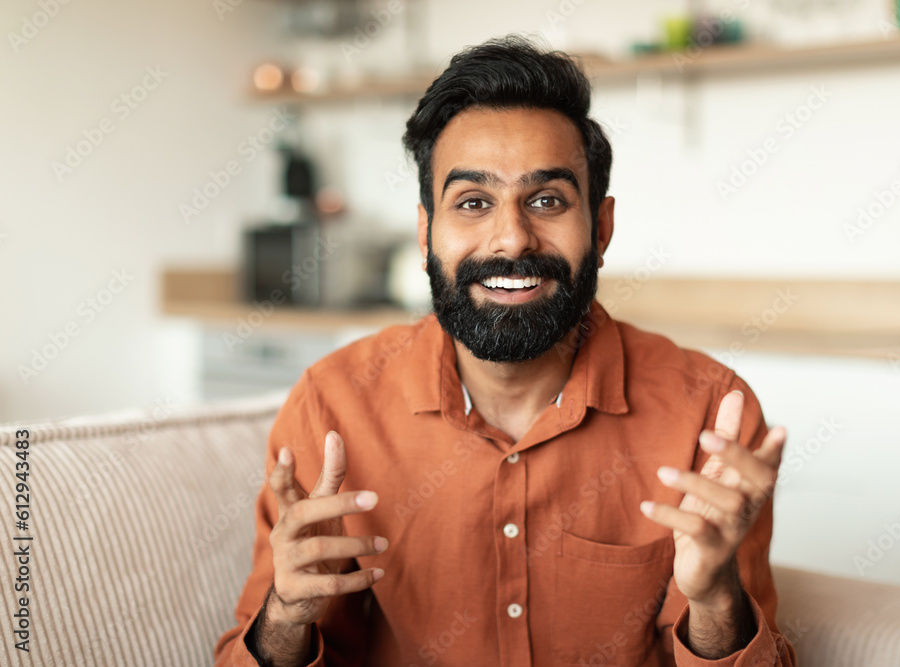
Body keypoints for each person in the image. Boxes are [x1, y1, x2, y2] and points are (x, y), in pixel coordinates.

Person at [215, 34, 796, 667]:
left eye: (547, 200)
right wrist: (286, 616)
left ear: (600, 228)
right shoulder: (331, 406)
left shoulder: (709, 415)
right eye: (473, 202)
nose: (512, 238)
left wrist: (714, 601)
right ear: (425, 231)